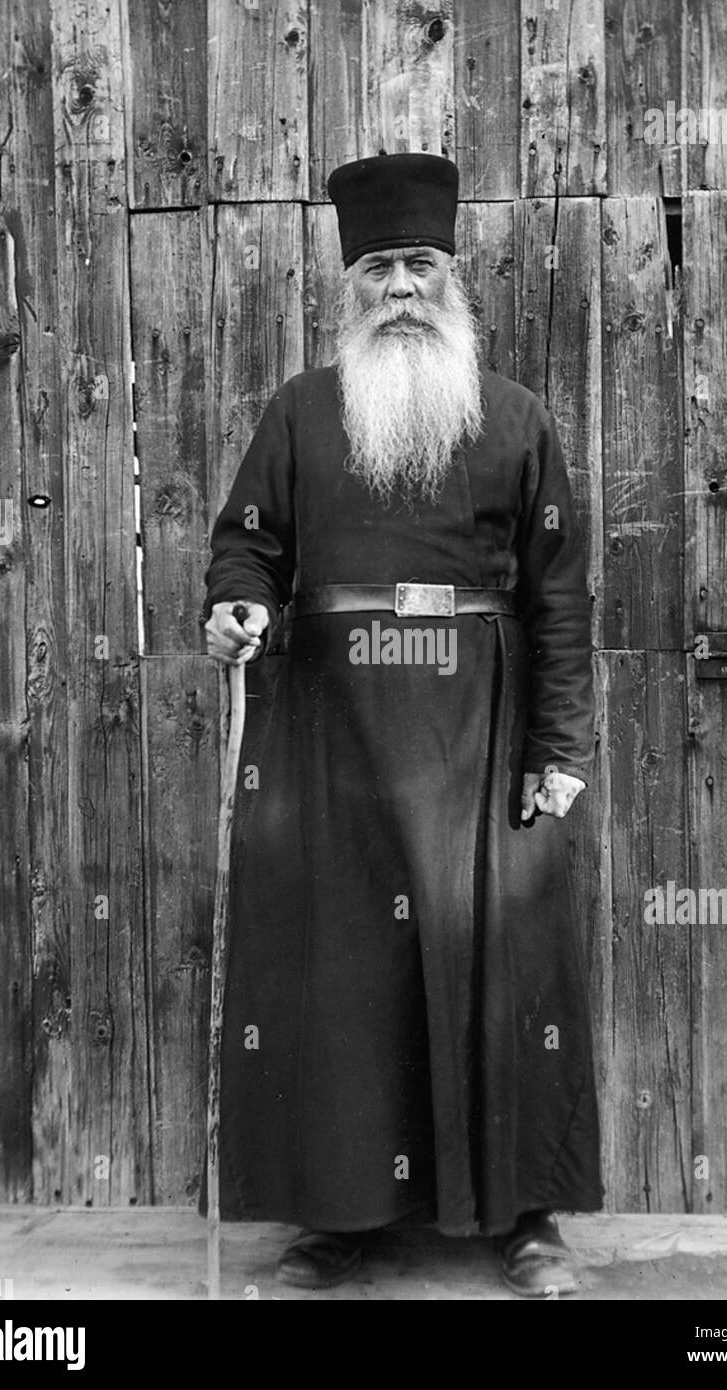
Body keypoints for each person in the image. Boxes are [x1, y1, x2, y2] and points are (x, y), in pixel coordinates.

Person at [201, 152, 602, 1297]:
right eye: (378, 268)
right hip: (331, 740)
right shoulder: (297, 414)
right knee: (340, 980)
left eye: (420, 265)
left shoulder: (517, 423)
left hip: (480, 742)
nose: (401, 288)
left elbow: (558, 600)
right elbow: (249, 544)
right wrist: (238, 603)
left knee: (505, 974)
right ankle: (337, 1221)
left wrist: (558, 750)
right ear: (350, 286)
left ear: (452, 277)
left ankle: (525, 1220)